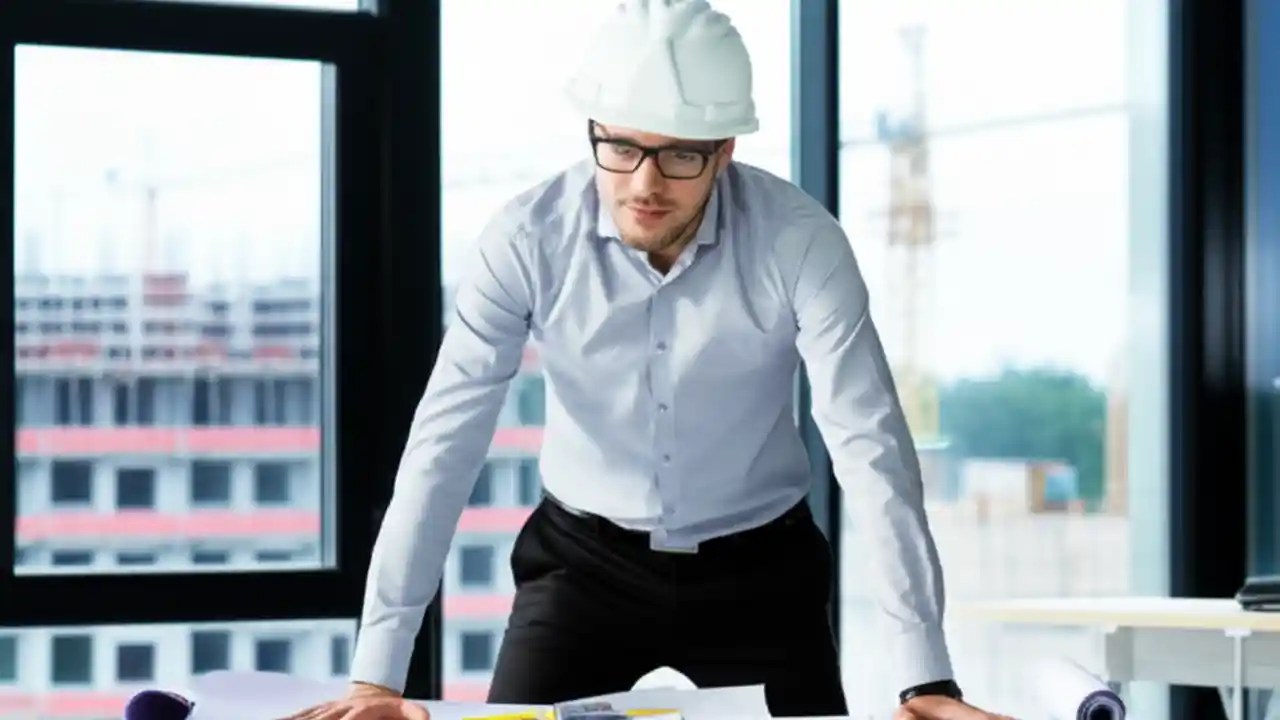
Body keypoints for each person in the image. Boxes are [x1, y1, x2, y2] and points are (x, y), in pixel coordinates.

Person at [289, 1, 1016, 719]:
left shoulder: (800, 242)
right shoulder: (526, 239)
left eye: (679, 155)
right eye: (622, 147)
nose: (644, 182)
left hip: (760, 570)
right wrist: (377, 675)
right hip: (582, 564)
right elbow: (443, 445)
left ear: (725, 149)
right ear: (594, 133)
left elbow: (871, 448)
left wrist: (927, 681)